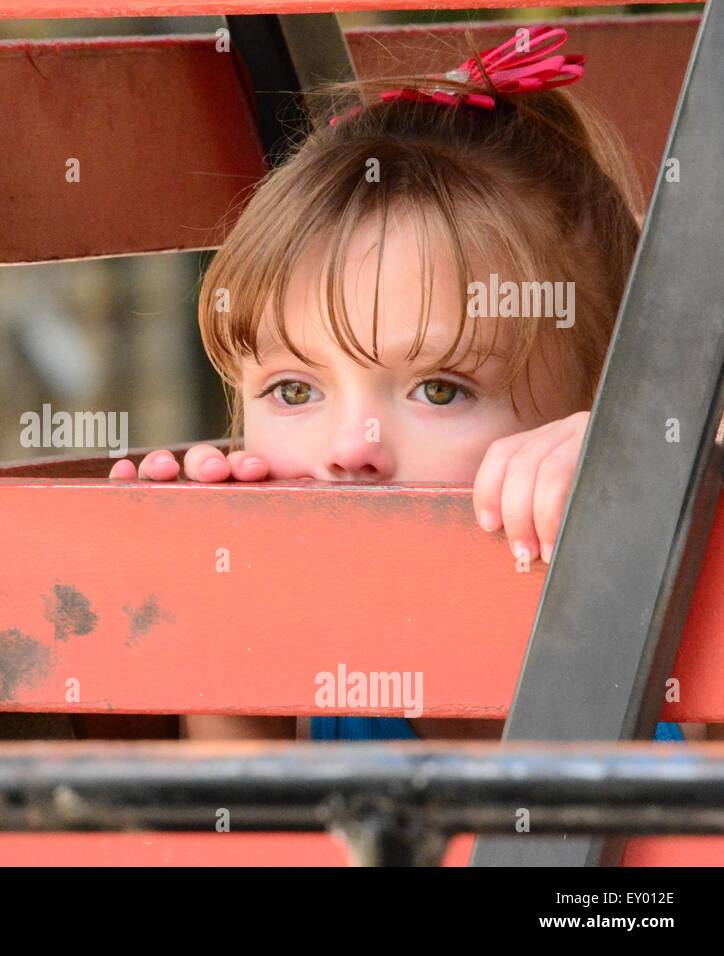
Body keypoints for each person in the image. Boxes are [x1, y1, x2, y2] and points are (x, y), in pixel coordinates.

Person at [108, 25, 693, 743]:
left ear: (599, 400)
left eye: (440, 390)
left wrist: (661, 464)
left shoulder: (671, 647)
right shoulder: (299, 692)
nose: (354, 450)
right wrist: (209, 596)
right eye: (294, 391)